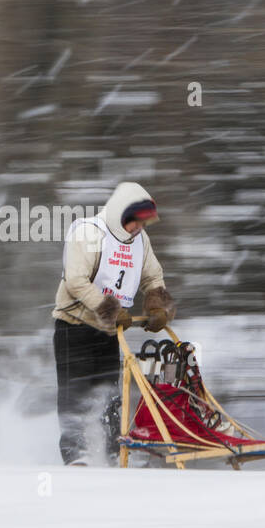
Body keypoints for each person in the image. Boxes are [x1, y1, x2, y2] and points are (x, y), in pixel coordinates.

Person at [51, 181, 176, 465]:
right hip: (74, 325)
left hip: (108, 331)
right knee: (75, 392)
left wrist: (157, 304)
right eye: (136, 222)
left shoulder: (140, 242)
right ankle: (76, 455)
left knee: (109, 395)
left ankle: (114, 452)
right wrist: (108, 307)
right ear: (123, 215)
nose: (139, 229)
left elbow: (152, 276)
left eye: (144, 224)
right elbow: (75, 281)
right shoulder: (89, 233)